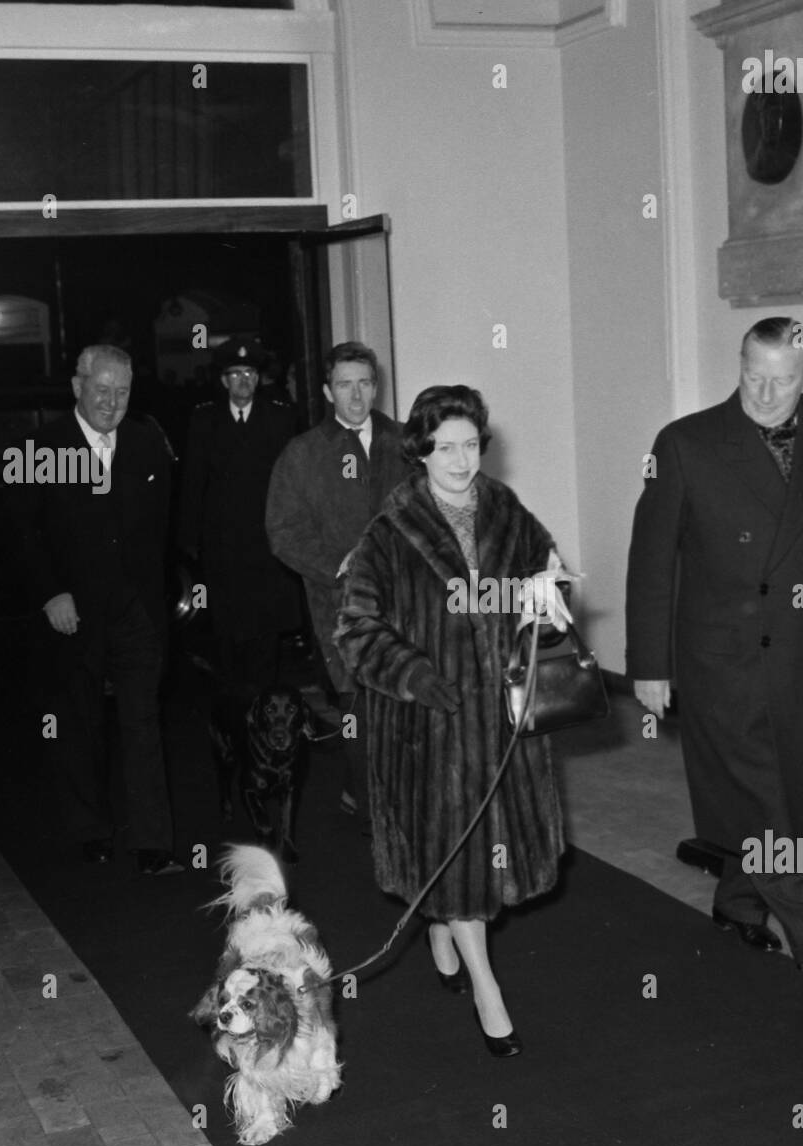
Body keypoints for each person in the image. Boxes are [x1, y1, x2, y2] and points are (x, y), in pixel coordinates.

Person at [625, 317, 803, 1007]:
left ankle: (740, 899)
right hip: (724, 657)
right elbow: (651, 560)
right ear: (738, 364)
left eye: (781, 379)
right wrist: (648, 664)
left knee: (798, 794)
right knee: (771, 800)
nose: (764, 392)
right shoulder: (685, 444)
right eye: (752, 374)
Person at [334, 385, 569, 1057]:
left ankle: (443, 923)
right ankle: (488, 988)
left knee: (478, 857)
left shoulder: (507, 512)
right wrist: (413, 674)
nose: (461, 460)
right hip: (427, 724)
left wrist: (546, 598)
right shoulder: (389, 530)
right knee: (457, 852)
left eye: (471, 444)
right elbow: (355, 629)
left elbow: (542, 582)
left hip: (499, 719)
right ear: (420, 450)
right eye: (446, 447)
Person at [7, 344, 181, 876]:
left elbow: (162, 527)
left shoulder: (148, 439)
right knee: (78, 724)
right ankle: (91, 831)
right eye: (101, 390)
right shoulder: (41, 447)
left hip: (137, 610)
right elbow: (18, 535)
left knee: (142, 722)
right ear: (77, 386)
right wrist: (51, 592)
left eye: (122, 391)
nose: (111, 402)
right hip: (72, 610)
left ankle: (153, 843)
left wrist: (160, 602)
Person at [265, 341, 410, 822]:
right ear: (328, 390)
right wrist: (338, 565)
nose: (356, 395)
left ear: (377, 386)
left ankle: (376, 794)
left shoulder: (407, 443)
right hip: (340, 602)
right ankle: (374, 814)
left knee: (403, 705)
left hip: (405, 599)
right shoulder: (303, 454)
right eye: (345, 385)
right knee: (359, 706)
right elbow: (283, 531)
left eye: (365, 383)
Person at [179, 336, 304, 691]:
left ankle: (263, 716)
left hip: (266, 545)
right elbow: (193, 482)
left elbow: (292, 482)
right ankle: (235, 718)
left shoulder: (280, 417)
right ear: (223, 381)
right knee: (228, 639)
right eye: (235, 375)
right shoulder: (205, 420)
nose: (243, 381)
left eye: (249, 373)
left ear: (258, 377)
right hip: (224, 548)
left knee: (265, 638)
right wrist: (190, 542)